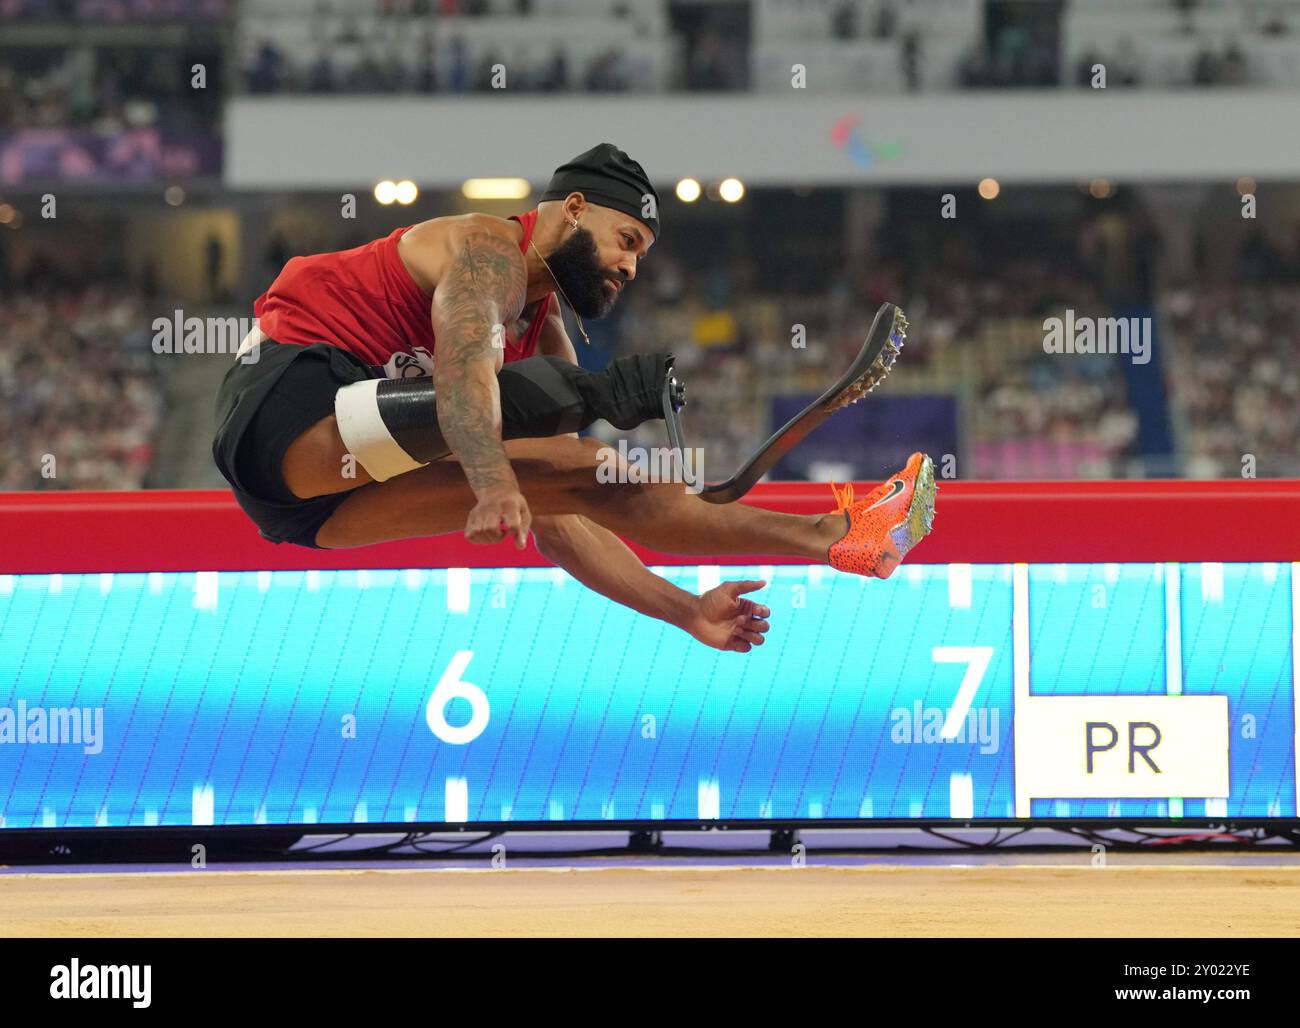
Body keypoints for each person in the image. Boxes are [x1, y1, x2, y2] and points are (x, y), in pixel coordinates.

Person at [212, 143, 935, 653]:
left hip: (321, 511)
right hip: (287, 416)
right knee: (543, 401)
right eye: (624, 239)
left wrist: (686, 612)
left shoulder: (543, 331)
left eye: (641, 255)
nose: (628, 265)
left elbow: (565, 516)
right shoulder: (486, 248)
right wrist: (496, 476)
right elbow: (463, 372)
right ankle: (591, 403)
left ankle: (831, 538)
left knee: (586, 472)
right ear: (574, 209)